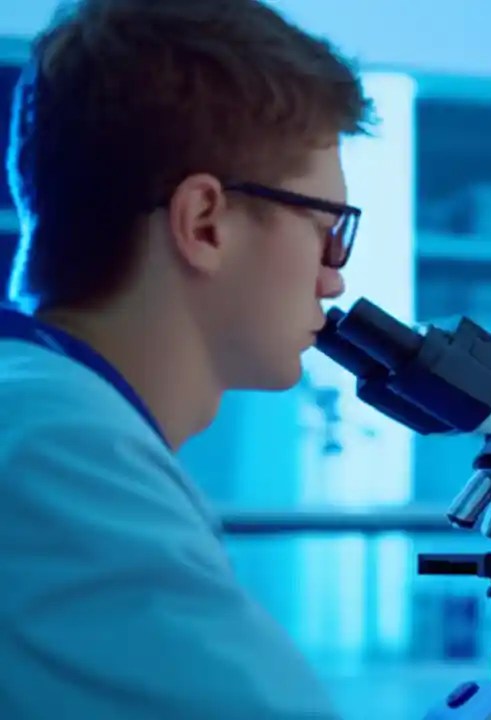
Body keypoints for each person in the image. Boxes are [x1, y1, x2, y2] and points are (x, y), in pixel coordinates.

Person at [0, 0, 373, 717]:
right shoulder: (58, 451)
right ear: (204, 223)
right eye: (327, 230)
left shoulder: (44, 409)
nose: (334, 277)